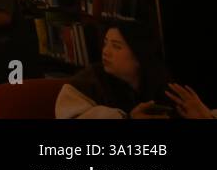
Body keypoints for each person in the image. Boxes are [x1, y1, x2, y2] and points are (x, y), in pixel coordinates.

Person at [56, 24, 216, 119]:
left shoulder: (164, 82)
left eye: (116, 46)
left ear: (140, 56)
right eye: (105, 44)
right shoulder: (87, 82)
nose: (105, 51)